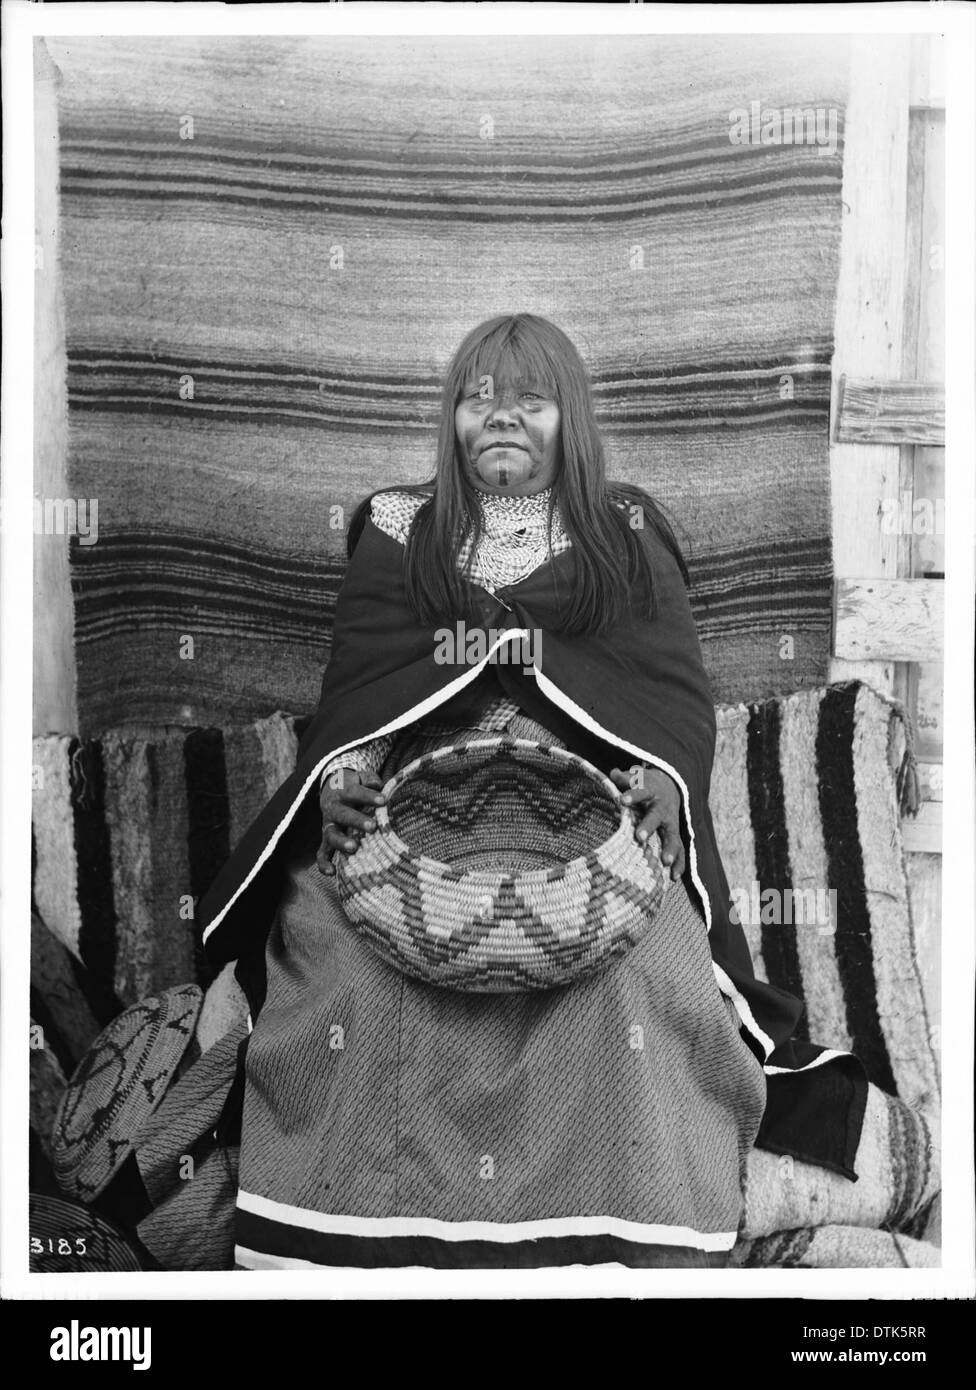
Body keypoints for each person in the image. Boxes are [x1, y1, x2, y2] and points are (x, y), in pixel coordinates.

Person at [196, 313, 867, 1270]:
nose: (500, 419)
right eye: (478, 400)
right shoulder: (397, 530)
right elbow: (354, 692)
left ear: (571, 420)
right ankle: (351, 1241)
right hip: (408, 818)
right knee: (341, 966)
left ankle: (614, 1240)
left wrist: (666, 787)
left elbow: (672, 696)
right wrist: (340, 782)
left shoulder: (626, 532)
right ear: (452, 420)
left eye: (530, 402)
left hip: (587, 817)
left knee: (638, 974)